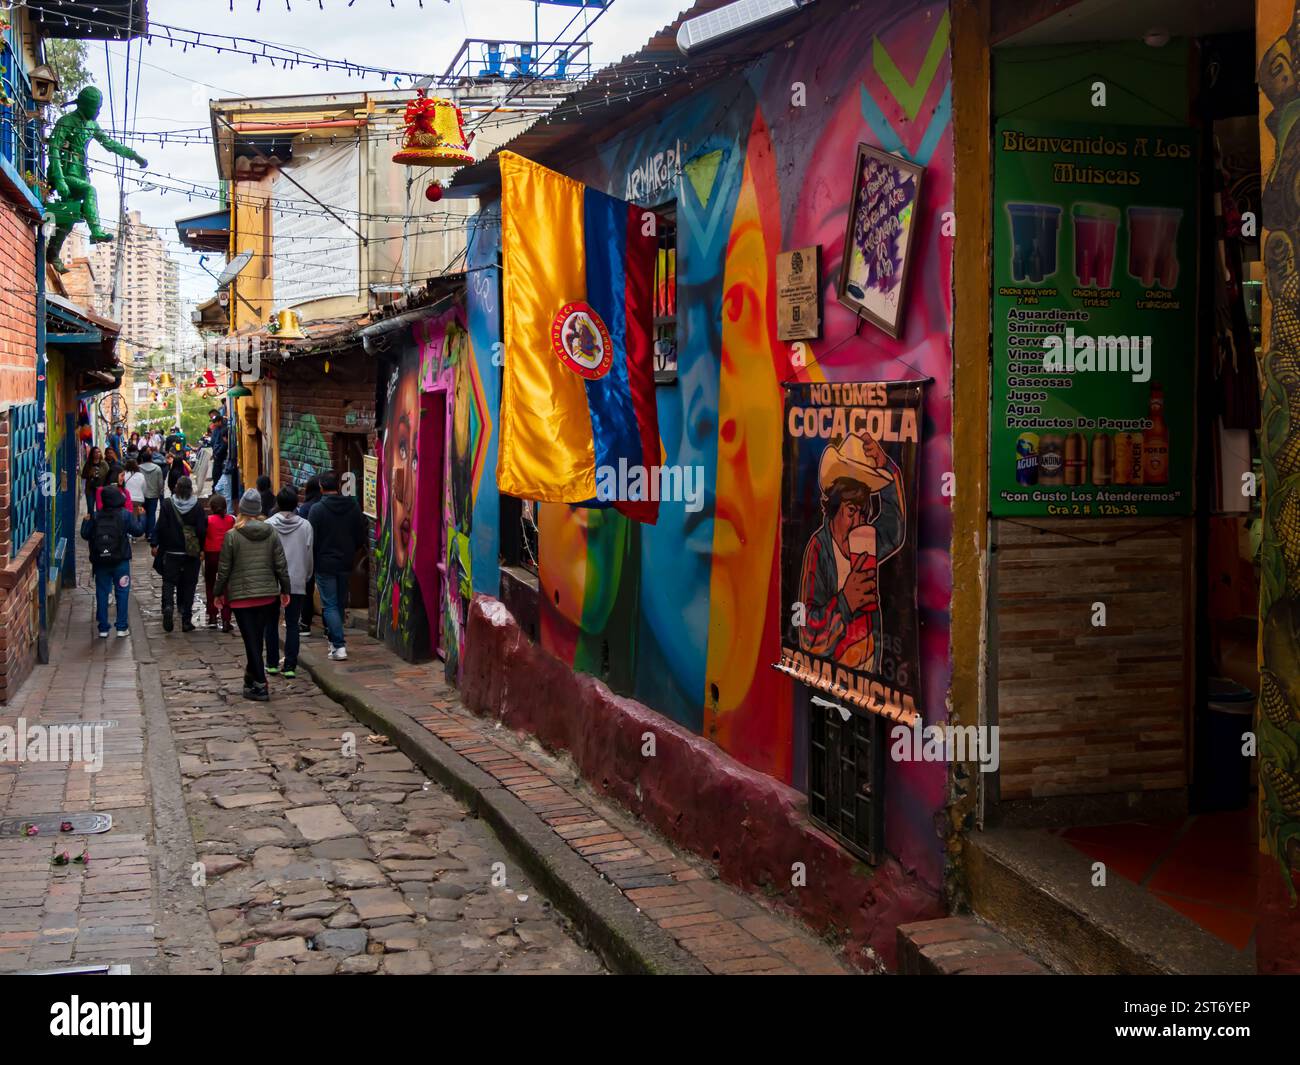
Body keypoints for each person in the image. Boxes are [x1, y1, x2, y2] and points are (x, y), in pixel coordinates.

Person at [213, 489, 290, 701]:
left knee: (251, 641)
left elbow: (224, 568)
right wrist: (285, 589)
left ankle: (260, 684)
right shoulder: (271, 533)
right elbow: (280, 564)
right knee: (255, 640)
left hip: (241, 597)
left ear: (241, 510)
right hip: (267, 595)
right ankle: (250, 676)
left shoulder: (232, 536)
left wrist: (218, 592)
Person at [308, 469, 365, 661]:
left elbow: (311, 539)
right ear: (338, 487)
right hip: (345, 561)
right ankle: (334, 641)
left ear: (321, 487)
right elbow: (360, 536)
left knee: (330, 604)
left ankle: (339, 646)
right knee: (339, 603)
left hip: (324, 563)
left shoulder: (317, 510)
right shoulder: (353, 506)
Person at [81, 484, 144, 638]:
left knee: (102, 593)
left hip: (101, 561)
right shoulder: (125, 515)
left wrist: (85, 521)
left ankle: (103, 628)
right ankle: (122, 627)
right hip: (120, 560)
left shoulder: (96, 516)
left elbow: (85, 534)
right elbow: (138, 531)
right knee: (122, 593)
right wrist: (142, 516)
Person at [266, 486, 313, 678]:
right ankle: (291, 666)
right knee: (293, 624)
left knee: (270, 623)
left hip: (272, 580)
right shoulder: (305, 526)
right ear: (296, 504)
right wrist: (306, 575)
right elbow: (309, 555)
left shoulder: (268, 525)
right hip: (296, 579)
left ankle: (271, 663)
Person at [151, 474, 206, 633]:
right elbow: (202, 530)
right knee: (189, 585)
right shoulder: (197, 506)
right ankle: (186, 620)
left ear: (176, 488)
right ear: (190, 490)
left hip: (171, 550)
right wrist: (201, 549)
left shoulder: (168, 504)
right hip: (191, 553)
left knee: (168, 582)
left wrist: (155, 544)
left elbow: (160, 526)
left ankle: (168, 606)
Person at [203, 493, 236, 631]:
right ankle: (226, 619)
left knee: (210, 585)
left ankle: (212, 616)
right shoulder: (230, 520)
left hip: (211, 555)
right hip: (226, 556)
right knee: (226, 587)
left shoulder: (208, 520)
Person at [297, 475, 321, 635]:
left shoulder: (306, 508)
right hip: (325, 552)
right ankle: (329, 627)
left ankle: (305, 622)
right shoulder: (321, 505)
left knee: (307, 587)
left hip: (309, 551)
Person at [138, 448, 164, 539]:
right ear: (151, 458)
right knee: (152, 514)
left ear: (142, 459)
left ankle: (144, 530)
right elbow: (160, 483)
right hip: (153, 495)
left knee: (143, 513)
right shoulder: (157, 468)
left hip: (142, 495)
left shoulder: (138, 468)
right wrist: (159, 492)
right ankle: (150, 534)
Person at [81, 446, 109, 515]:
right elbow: (83, 475)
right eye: (95, 452)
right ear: (92, 454)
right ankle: (91, 524)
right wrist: (89, 473)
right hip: (90, 489)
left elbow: (108, 475)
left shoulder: (104, 464)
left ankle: (98, 524)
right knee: (90, 509)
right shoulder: (88, 463)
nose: (97, 454)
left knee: (100, 509)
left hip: (100, 489)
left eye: (99, 452)